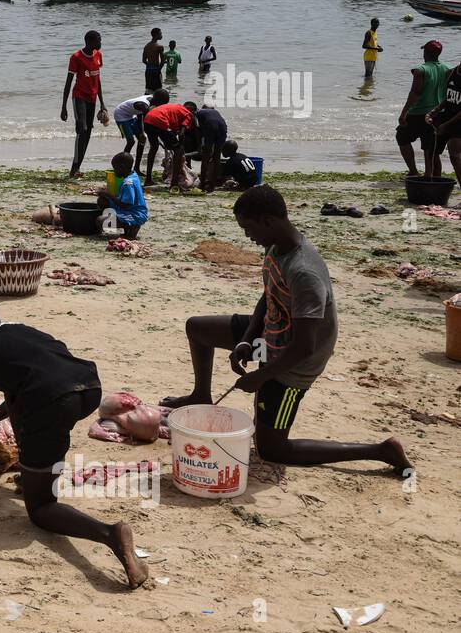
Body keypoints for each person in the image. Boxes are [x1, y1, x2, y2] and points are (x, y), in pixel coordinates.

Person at [162, 185, 412, 475]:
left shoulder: (304, 272)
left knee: (271, 449)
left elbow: (305, 346)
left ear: (268, 221)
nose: (246, 236)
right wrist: (245, 342)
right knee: (198, 328)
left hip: (294, 362)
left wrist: (261, 376)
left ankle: (381, 450)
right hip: (273, 330)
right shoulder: (275, 246)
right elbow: (268, 296)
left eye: (248, 228)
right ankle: (201, 394)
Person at [0, 301, 147, 590]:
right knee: (35, 416)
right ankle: (35, 471)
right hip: (87, 387)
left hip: (52, 400)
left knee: (40, 508)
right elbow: (14, 395)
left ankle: (110, 534)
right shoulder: (17, 332)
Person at [396, 40, 451, 178]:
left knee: (402, 137)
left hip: (418, 113)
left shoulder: (421, 70)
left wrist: (403, 113)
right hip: (437, 114)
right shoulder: (448, 69)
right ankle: (433, 176)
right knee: (431, 148)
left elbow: (414, 93)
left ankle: (414, 171)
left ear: (425, 52)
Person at [60, 31, 104, 179]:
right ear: (89, 41)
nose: (100, 42)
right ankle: (74, 168)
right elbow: (68, 82)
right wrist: (64, 106)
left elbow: (98, 80)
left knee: (88, 131)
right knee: (82, 128)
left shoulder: (98, 55)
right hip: (79, 96)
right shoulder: (76, 57)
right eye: (99, 40)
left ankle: (77, 167)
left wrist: (102, 104)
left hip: (92, 98)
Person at [141, 98, 195, 187]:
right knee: (178, 149)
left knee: (154, 147)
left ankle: (148, 179)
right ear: (192, 111)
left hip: (148, 119)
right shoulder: (188, 114)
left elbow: (171, 132)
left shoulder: (176, 108)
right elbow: (181, 134)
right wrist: (180, 147)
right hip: (159, 120)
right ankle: (174, 183)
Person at [94, 151, 147, 238]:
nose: (114, 172)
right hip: (129, 210)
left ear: (122, 167)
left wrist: (109, 194)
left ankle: (130, 227)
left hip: (134, 214)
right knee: (102, 200)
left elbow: (125, 204)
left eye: (115, 168)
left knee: (100, 220)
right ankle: (126, 227)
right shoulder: (134, 175)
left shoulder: (128, 183)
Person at [427, 62, 461, 187]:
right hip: (447, 116)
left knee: (454, 156)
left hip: (458, 122)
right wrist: (434, 111)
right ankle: (436, 186)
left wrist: (446, 125)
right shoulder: (451, 72)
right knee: (432, 152)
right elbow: (448, 98)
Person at [113, 89, 166, 169]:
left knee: (142, 141)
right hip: (121, 115)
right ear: (158, 101)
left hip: (132, 114)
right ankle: (123, 166)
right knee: (131, 141)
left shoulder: (151, 98)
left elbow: (140, 115)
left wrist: (142, 133)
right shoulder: (144, 105)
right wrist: (143, 132)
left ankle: (136, 167)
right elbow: (146, 121)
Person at [194, 103, 229, 192]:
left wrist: (198, 145)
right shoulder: (215, 112)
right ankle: (212, 185)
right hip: (223, 126)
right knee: (217, 157)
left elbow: (197, 128)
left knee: (206, 156)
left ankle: (202, 184)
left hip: (210, 125)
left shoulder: (198, 113)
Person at [142, 27, 164, 93]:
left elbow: (143, 60)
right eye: (160, 34)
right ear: (156, 35)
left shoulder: (146, 46)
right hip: (156, 71)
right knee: (158, 92)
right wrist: (158, 69)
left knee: (148, 90)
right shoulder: (159, 47)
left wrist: (149, 65)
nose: (161, 35)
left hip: (148, 71)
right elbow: (163, 61)